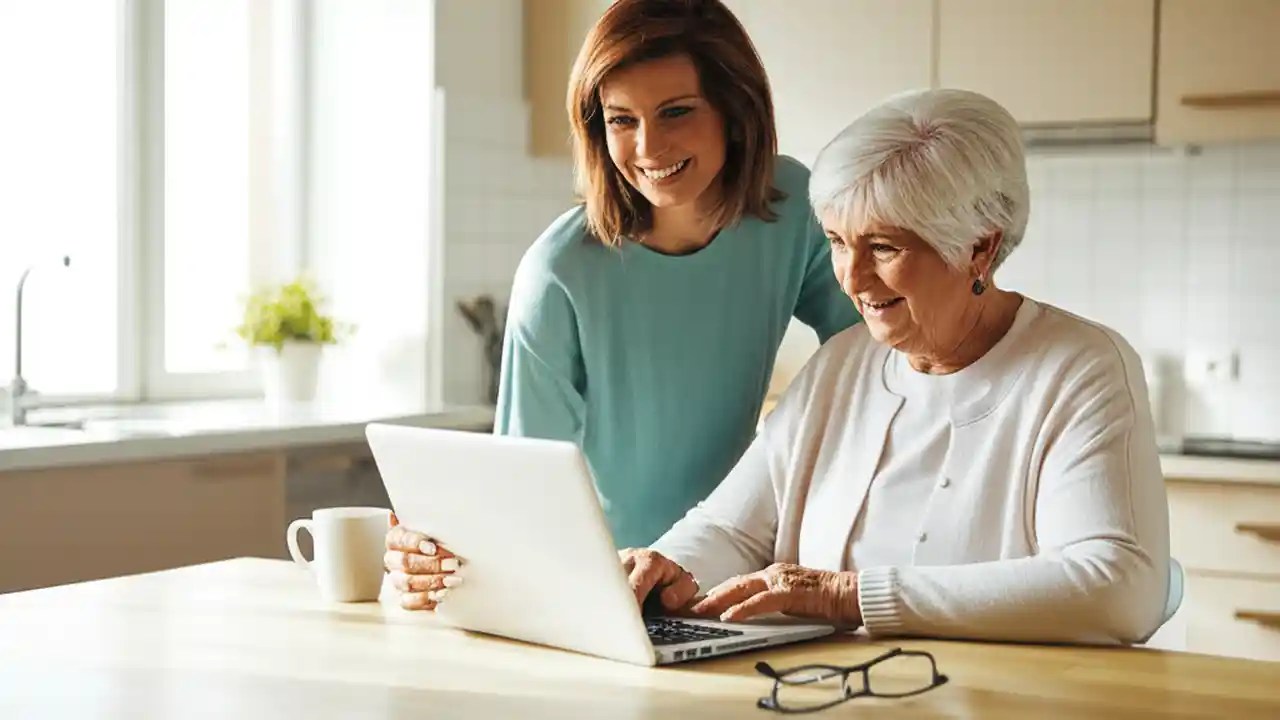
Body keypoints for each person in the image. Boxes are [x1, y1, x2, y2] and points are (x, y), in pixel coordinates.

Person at [624, 88, 1172, 644]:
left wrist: (849, 596)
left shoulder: (1080, 369)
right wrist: (667, 569)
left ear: (979, 248)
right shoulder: (840, 365)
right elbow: (731, 529)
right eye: (838, 242)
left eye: (883, 248)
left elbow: (1120, 589)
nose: (852, 279)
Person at [386, 0, 860, 611]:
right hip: (609, 590)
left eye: (676, 112)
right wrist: (438, 557)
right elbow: (521, 485)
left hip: (735, 573)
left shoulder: (792, 206)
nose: (648, 146)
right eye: (621, 120)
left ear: (735, 112)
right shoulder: (559, 272)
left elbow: (868, 355)